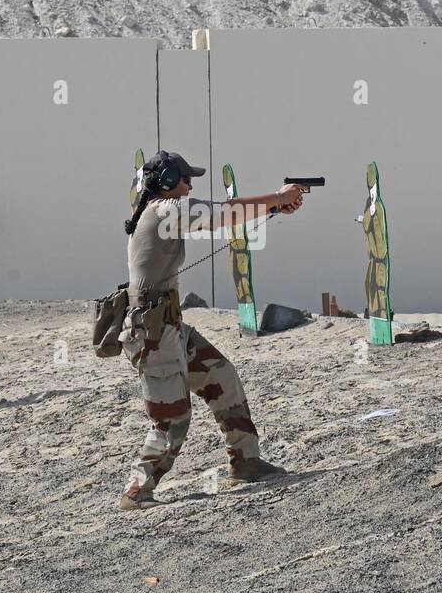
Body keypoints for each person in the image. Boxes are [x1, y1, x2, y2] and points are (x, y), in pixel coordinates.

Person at [117, 150, 305, 510]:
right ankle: (137, 491)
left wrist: (273, 208)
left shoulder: (162, 211)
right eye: (186, 179)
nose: (190, 187)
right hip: (154, 335)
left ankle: (246, 462)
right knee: (171, 419)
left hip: (169, 327)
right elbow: (222, 213)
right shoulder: (163, 210)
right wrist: (277, 199)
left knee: (223, 377)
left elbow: (224, 216)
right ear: (169, 181)